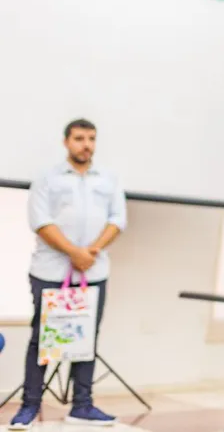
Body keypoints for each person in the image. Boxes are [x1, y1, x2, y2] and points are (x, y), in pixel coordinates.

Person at [8, 119, 126, 430]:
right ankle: (29, 406)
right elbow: (41, 220)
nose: (86, 144)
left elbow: (118, 219)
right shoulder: (48, 178)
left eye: (91, 139)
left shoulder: (109, 179)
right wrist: (74, 252)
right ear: (66, 142)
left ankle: (82, 405)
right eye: (79, 138)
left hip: (93, 271)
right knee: (43, 339)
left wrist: (91, 252)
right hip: (51, 271)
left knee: (86, 338)